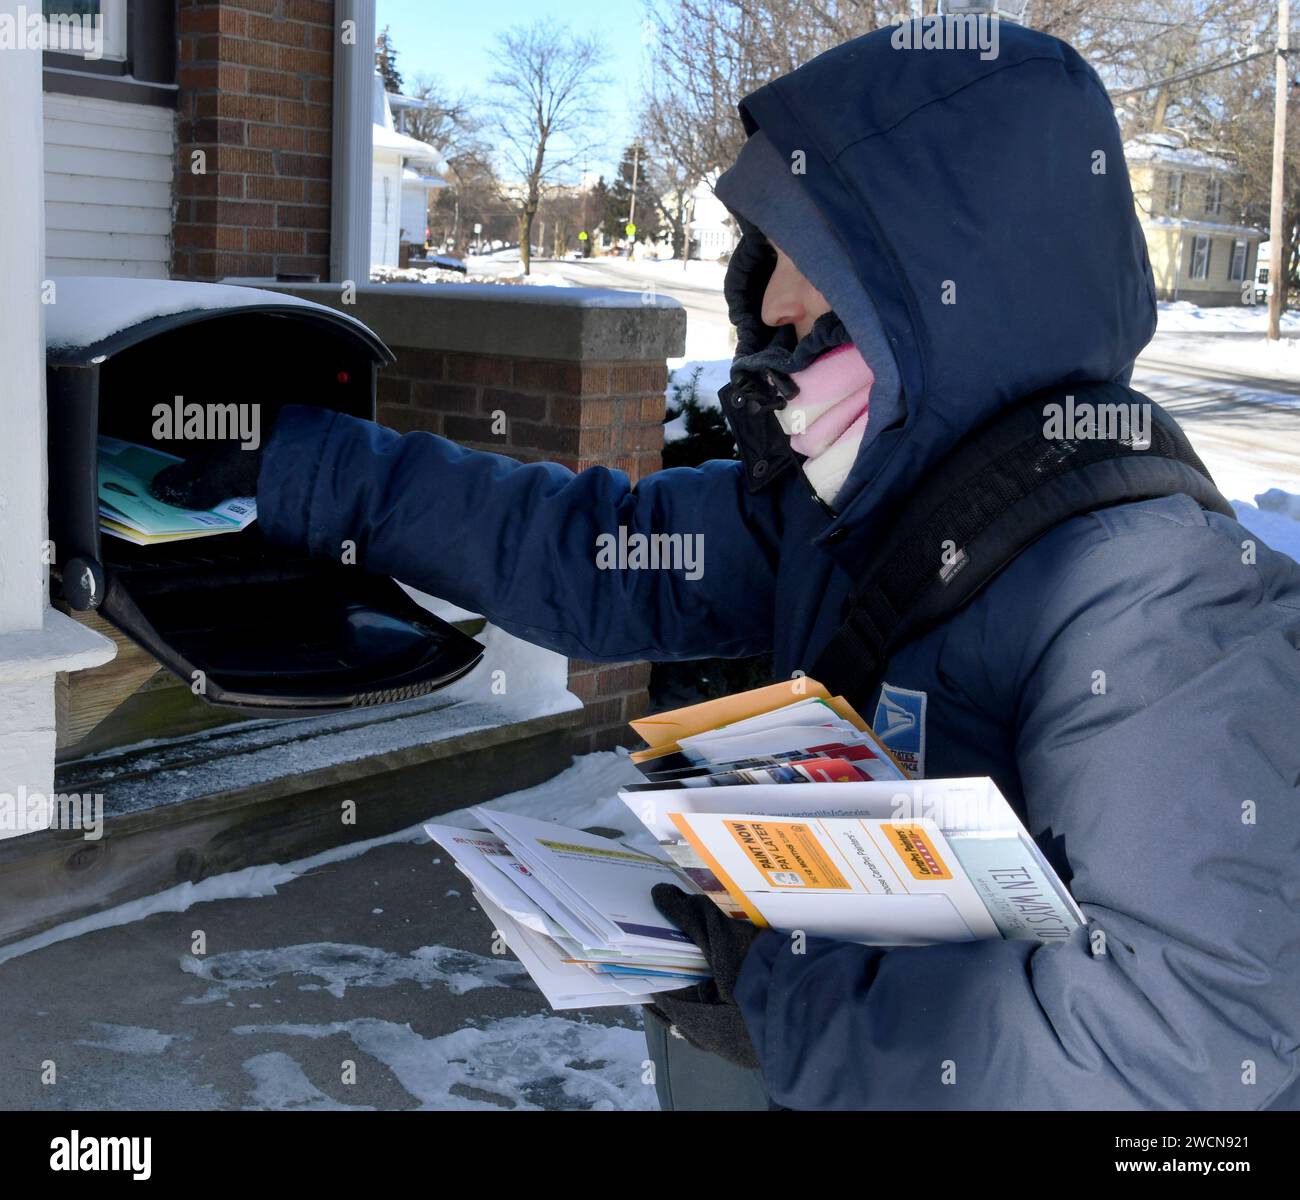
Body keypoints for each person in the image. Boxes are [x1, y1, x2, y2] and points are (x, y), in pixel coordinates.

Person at [154, 21, 1300, 1111]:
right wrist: (307, 467)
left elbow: (1168, 1057)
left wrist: (782, 987)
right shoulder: (844, 501)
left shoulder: (1151, 606)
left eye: (822, 261)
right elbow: (591, 553)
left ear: (964, 282)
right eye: (770, 256)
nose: (773, 300)